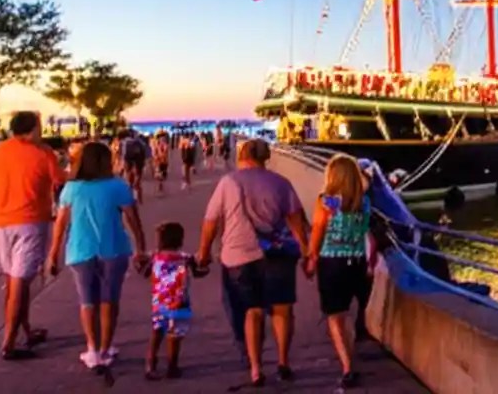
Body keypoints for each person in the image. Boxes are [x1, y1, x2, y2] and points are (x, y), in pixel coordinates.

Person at [197, 139, 309, 387]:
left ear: (242, 155)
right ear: (266, 156)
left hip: (239, 256)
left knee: (253, 311)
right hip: (278, 255)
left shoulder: (229, 182)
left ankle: (256, 369)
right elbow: (296, 221)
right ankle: (283, 363)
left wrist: (203, 253)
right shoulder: (281, 183)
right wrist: (307, 252)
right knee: (282, 310)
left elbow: (211, 221)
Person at [46, 141, 148, 372]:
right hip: (114, 249)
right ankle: (106, 347)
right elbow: (133, 219)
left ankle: (92, 348)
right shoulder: (118, 186)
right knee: (109, 301)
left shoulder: (71, 189)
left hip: (80, 251)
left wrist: (53, 255)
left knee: (87, 301)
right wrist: (141, 247)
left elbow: (60, 224)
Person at [0, 110, 65, 360]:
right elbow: (60, 180)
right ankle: (9, 342)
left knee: (15, 281)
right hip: (28, 224)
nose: (42, 131)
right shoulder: (42, 153)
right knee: (19, 282)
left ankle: (24, 331)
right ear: (31, 130)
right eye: (39, 126)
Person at [304, 154, 375, 389]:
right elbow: (366, 233)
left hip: (332, 263)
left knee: (335, 316)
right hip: (357, 262)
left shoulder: (326, 201)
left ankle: (347, 367)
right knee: (349, 314)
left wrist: (311, 258)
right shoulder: (363, 202)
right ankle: (350, 357)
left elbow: (317, 230)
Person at [139, 221, 209, 380]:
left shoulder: (155, 257)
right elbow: (199, 272)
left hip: (160, 302)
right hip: (180, 302)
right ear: (180, 240)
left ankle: (150, 364)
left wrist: (140, 261)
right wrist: (206, 266)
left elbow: (144, 272)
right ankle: (172, 366)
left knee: (157, 331)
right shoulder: (185, 258)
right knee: (175, 335)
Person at [120, 131, 149, 203]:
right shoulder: (140, 142)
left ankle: (130, 198)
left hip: (128, 162)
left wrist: (121, 167)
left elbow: (122, 155)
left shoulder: (123, 143)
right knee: (137, 183)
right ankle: (138, 199)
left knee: (129, 182)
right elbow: (144, 154)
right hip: (138, 163)